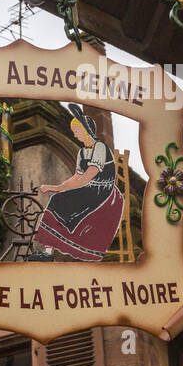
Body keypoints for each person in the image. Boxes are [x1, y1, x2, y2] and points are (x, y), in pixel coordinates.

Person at [30, 104, 123, 261]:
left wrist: (61, 189)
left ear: (86, 130)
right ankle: (47, 252)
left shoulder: (99, 148)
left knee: (61, 200)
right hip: (88, 188)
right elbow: (76, 177)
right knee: (58, 199)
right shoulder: (82, 152)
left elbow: (87, 177)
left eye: (77, 131)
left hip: (102, 190)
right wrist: (57, 188)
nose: (75, 135)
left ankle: (51, 251)